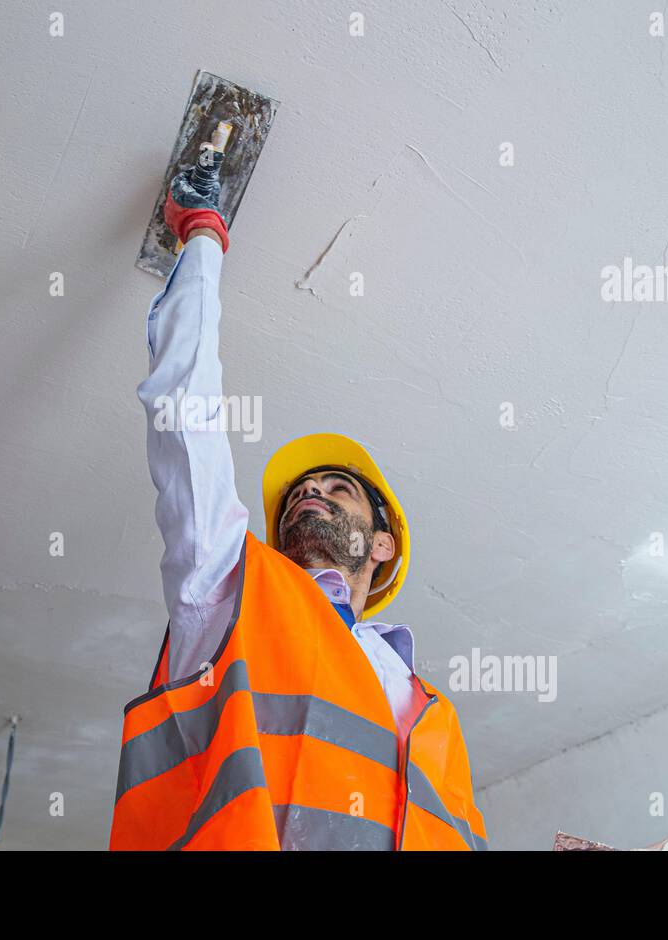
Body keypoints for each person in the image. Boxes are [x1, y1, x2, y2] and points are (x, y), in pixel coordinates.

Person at [110, 145, 487, 850]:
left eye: (337, 488)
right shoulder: (233, 593)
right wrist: (203, 240)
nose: (310, 490)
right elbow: (185, 414)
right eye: (300, 493)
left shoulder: (437, 717)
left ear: (383, 544)